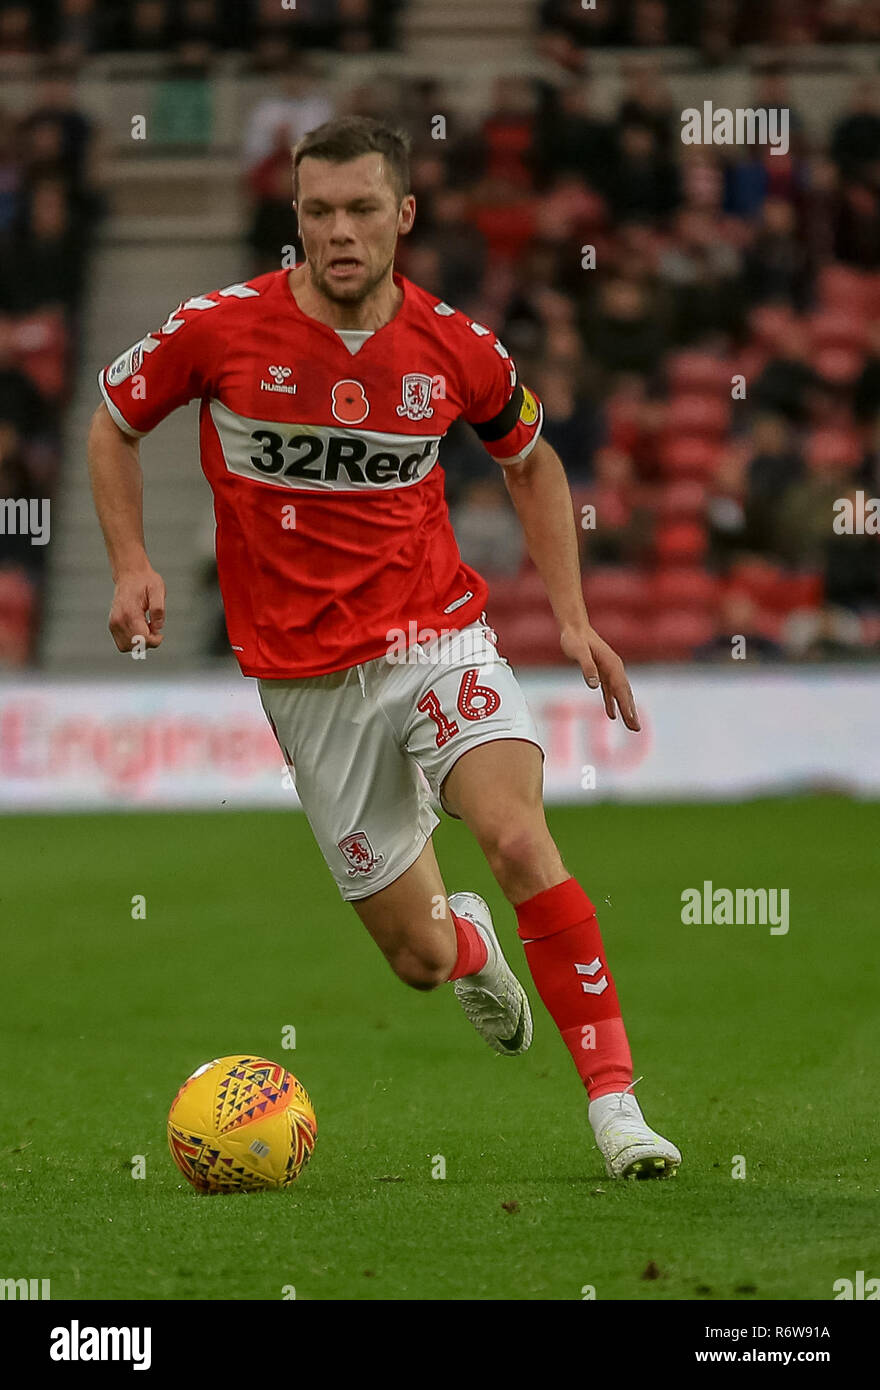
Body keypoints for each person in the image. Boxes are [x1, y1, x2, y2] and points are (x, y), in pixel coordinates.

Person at [88, 116, 681, 1180]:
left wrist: (576, 619)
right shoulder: (217, 329)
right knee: (416, 961)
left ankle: (617, 1108)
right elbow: (112, 424)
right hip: (306, 685)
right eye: (318, 212)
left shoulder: (456, 346)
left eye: (362, 209)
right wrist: (131, 561)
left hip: (434, 638)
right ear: (297, 220)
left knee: (512, 836)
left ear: (403, 215)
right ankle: (467, 944)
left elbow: (533, 464)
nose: (340, 231)